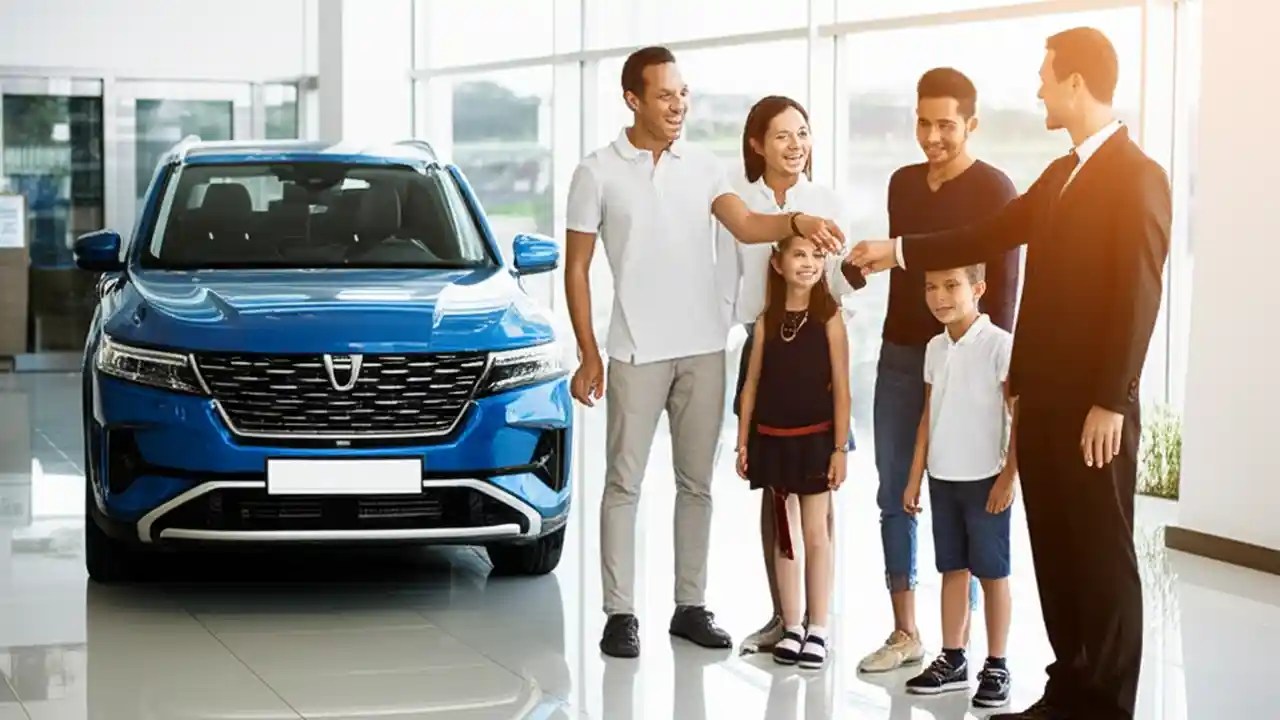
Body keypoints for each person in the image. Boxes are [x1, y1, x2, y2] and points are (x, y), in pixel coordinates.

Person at [853, 27, 1172, 720]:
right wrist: (899, 251)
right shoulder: (1060, 175)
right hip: (1044, 400)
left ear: (1077, 84)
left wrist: (1111, 400)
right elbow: (987, 236)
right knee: (1055, 551)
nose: (1038, 89)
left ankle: (1109, 705)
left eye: (1046, 77)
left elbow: (1139, 296)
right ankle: (1070, 688)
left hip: (1095, 409)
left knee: (1102, 556)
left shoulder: (1139, 176)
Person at [564, 45, 846, 660]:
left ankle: (689, 605)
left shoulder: (706, 166)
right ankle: (620, 613)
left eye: (683, 93)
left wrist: (797, 221)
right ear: (633, 99)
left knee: (697, 486)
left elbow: (746, 225)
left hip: (703, 348)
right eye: (665, 95)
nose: (678, 105)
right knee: (623, 484)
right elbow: (578, 268)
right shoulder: (596, 172)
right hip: (635, 351)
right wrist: (588, 352)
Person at [859, 67, 1021, 675]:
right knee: (894, 492)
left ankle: (962, 641)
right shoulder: (902, 183)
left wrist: (997, 377)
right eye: (923, 123)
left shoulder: (996, 190)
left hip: (972, 365)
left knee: (967, 493)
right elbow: (904, 267)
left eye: (946, 125)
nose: (932, 136)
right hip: (903, 355)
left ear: (971, 124)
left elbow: (1004, 290)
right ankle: (906, 632)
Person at [714, 95, 866, 656]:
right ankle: (786, 616)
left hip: (817, 350)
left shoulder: (826, 201)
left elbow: (839, 286)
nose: (796, 144)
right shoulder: (738, 202)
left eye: (803, 132)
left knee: (818, 493)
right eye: (782, 134)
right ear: (758, 143)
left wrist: (854, 272)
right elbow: (733, 282)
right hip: (765, 342)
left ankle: (816, 620)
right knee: (772, 493)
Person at [901, 263, 1017, 709]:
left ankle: (998, 663)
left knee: (993, 572)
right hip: (942, 476)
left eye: (952, 285)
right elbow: (928, 416)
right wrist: (915, 476)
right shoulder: (934, 347)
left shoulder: (999, 346)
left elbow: (1017, 416)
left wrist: (1009, 476)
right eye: (931, 286)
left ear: (979, 288)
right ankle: (953, 658)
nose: (939, 296)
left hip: (986, 477)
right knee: (952, 568)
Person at [734, 233, 851, 671]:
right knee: (786, 535)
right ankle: (792, 624)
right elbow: (752, 385)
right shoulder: (767, 319)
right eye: (799, 254)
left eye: (817, 256)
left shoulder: (830, 316)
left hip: (816, 439)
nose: (809, 263)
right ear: (778, 263)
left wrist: (840, 448)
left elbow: (842, 389)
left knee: (816, 533)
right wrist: (744, 441)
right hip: (772, 439)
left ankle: (818, 626)